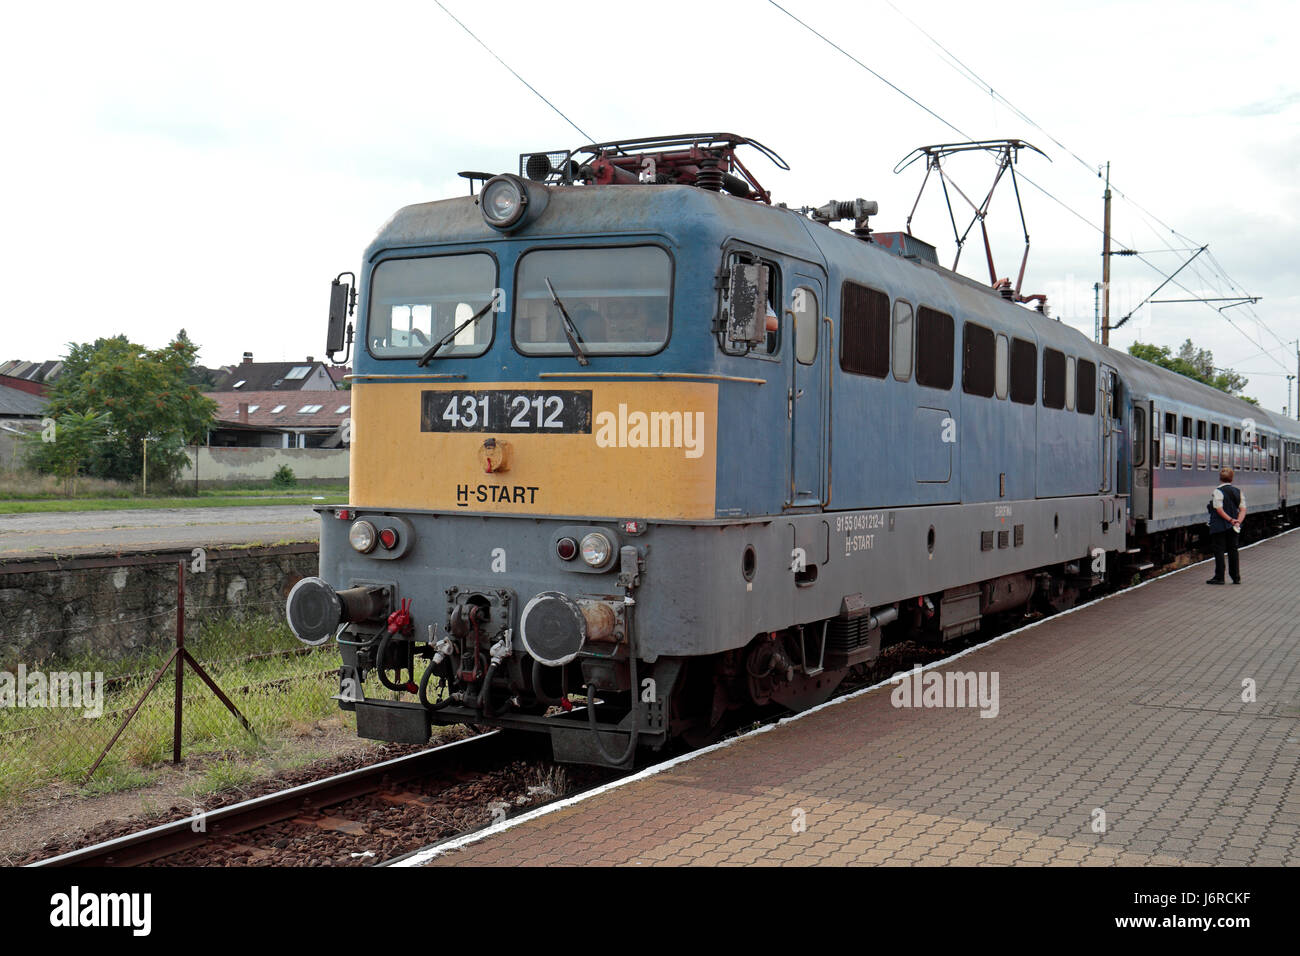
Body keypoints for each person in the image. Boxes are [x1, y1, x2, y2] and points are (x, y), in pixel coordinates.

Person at [1206, 466, 1246, 585]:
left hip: (1219, 526)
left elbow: (1219, 509)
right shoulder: (1238, 491)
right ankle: (1236, 577)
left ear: (1220, 478)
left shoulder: (1218, 491)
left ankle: (1219, 577)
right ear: (1232, 479)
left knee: (1219, 550)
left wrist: (1230, 520)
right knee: (1233, 550)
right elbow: (1243, 509)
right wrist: (1237, 521)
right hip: (1234, 527)